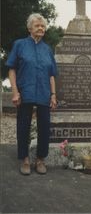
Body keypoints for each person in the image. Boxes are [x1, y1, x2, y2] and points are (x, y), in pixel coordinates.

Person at [6, 13, 57, 175]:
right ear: (29, 28)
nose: (41, 28)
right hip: (25, 91)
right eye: (37, 25)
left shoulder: (47, 49)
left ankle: (41, 159)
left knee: (44, 126)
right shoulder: (20, 45)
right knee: (23, 126)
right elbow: (12, 69)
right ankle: (25, 159)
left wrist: (53, 94)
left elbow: (51, 74)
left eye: (43, 26)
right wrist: (15, 92)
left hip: (44, 92)